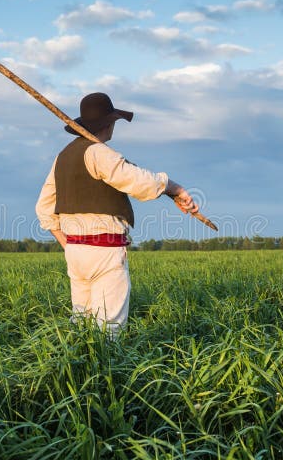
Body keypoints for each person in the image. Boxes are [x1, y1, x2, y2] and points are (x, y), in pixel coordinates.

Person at [35, 92, 198, 337]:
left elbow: (43, 209)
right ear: (108, 123)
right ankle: (104, 374)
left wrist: (68, 245)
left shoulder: (63, 157)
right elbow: (139, 181)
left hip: (76, 253)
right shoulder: (99, 153)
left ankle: (76, 372)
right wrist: (176, 188)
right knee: (109, 333)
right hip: (105, 252)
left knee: (82, 325)